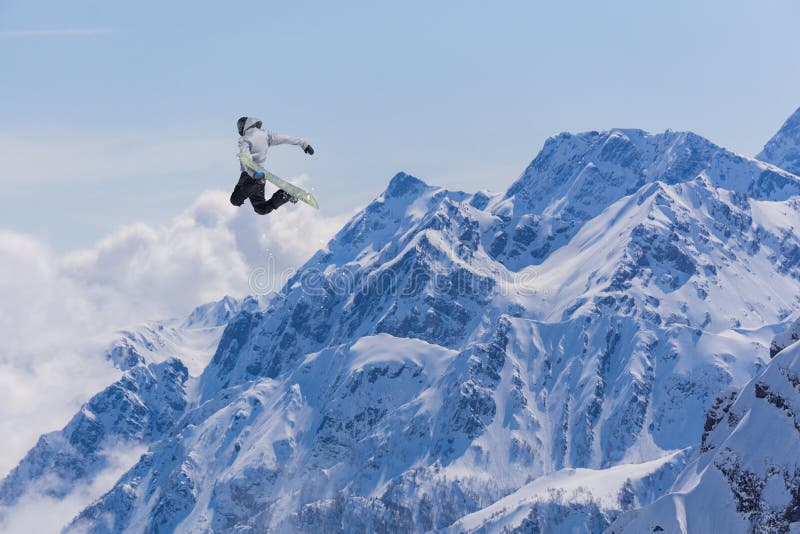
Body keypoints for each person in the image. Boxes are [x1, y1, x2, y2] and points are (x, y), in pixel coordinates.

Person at [230, 116, 314, 215]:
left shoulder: (244, 139)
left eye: (239, 126)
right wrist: (303, 144)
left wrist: (253, 174)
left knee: (235, 200)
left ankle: (257, 184)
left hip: (249, 175)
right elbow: (285, 138)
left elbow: (246, 158)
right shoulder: (266, 134)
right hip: (261, 176)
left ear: (244, 125)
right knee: (261, 208)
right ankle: (285, 195)